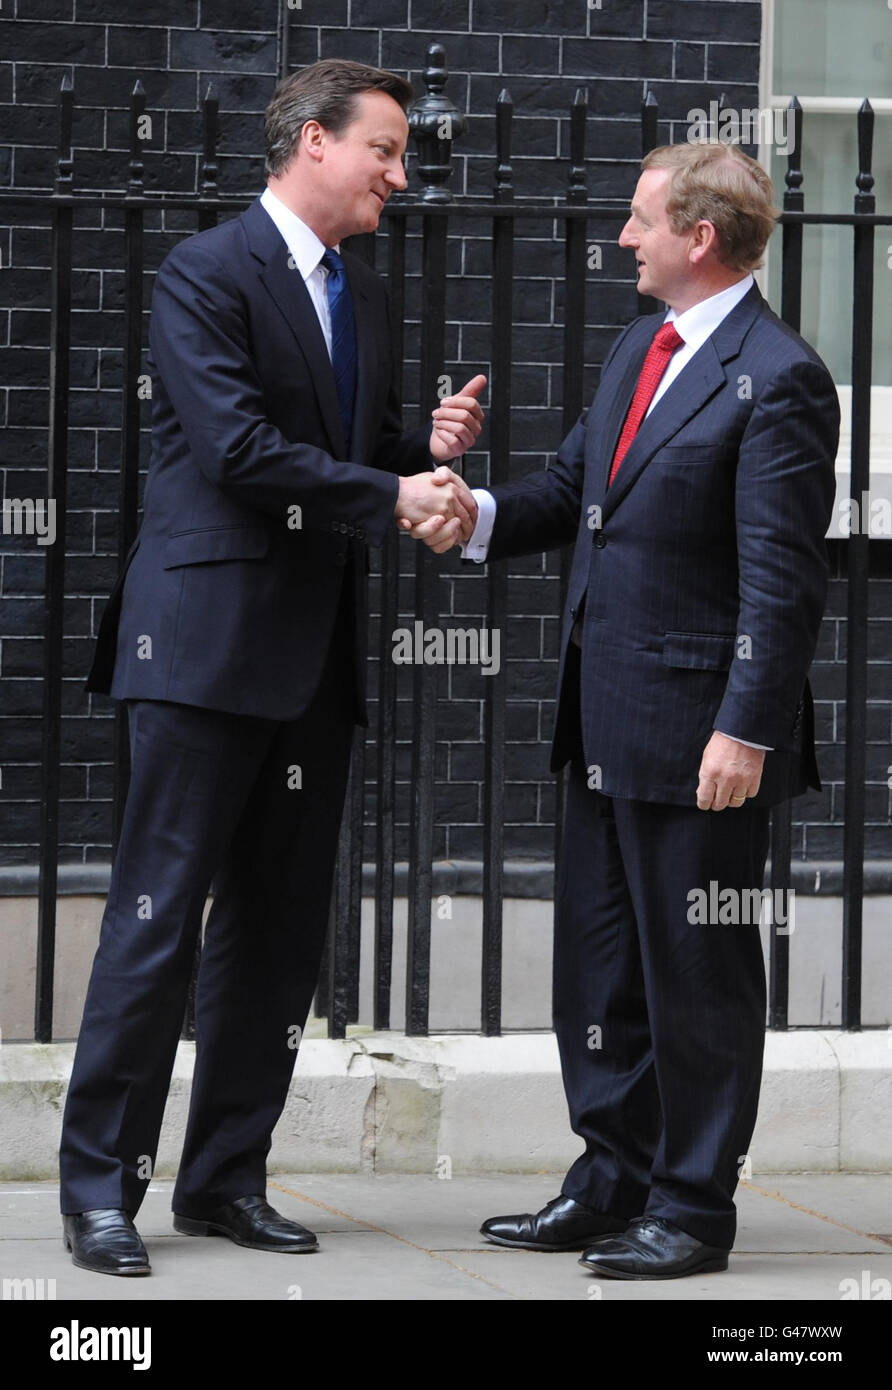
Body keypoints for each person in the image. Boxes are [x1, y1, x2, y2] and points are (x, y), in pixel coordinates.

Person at [59, 58, 484, 1277]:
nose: (401, 176)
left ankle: (224, 1182)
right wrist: (394, 487)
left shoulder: (364, 292)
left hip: (309, 657)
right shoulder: (205, 271)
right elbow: (242, 450)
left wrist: (425, 446)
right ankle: (102, 1191)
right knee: (154, 924)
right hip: (200, 650)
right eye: (385, 150)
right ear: (310, 141)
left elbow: (356, 453)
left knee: (278, 935)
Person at [406, 142, 839, 1279]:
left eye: (641, 219)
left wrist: (745, 727)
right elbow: (573, 492)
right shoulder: (638, 348)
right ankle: (610, 1179)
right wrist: (477, 511)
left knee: (694, 974)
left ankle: (691, 1206)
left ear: (700, 237)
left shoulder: (778, 374)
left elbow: (782, 577)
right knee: (598, 971)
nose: (621, 237)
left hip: (702, 736)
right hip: (602, 719)